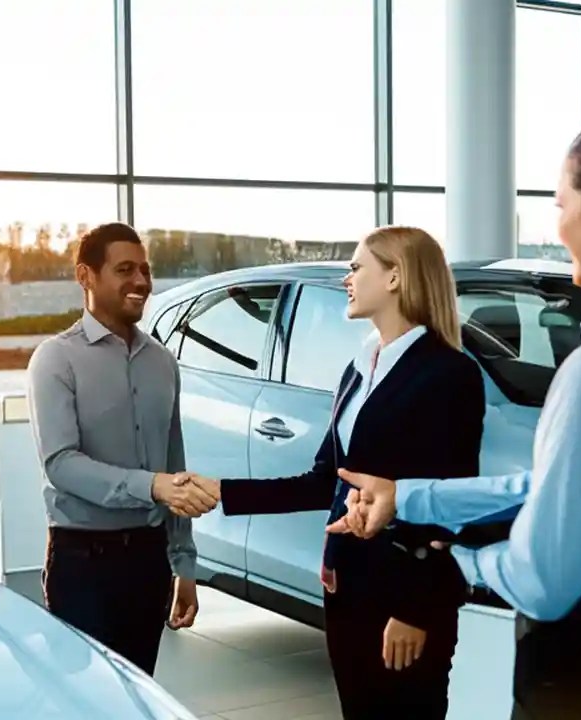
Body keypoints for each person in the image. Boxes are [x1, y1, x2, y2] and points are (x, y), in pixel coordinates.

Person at [328, 110, 581, 719]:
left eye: (561, 206)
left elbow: (545, 579)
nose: (556, 227)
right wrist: (411, 498)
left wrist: (456, 564)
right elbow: (556, 486)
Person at [196, 226, 486, 719]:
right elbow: (324, 479)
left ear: (395, 277)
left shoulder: (449, 373)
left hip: (404, 599)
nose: (347, 278)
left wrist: (415, 609)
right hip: (347, 584)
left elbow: (447, 501)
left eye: (357, 267)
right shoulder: (359, 367)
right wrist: (219, 491)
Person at [26, 222, 220, 675]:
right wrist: (150, 486)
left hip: (149, 563)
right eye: (125, 269)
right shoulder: (55, 359)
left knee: (137, 693)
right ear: (85, 276)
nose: (140, 282)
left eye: (145, 271)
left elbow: (175, 466)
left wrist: (183, 564)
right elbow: (61, 465)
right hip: (83, 565)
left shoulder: (162, 362)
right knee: (88, 701)